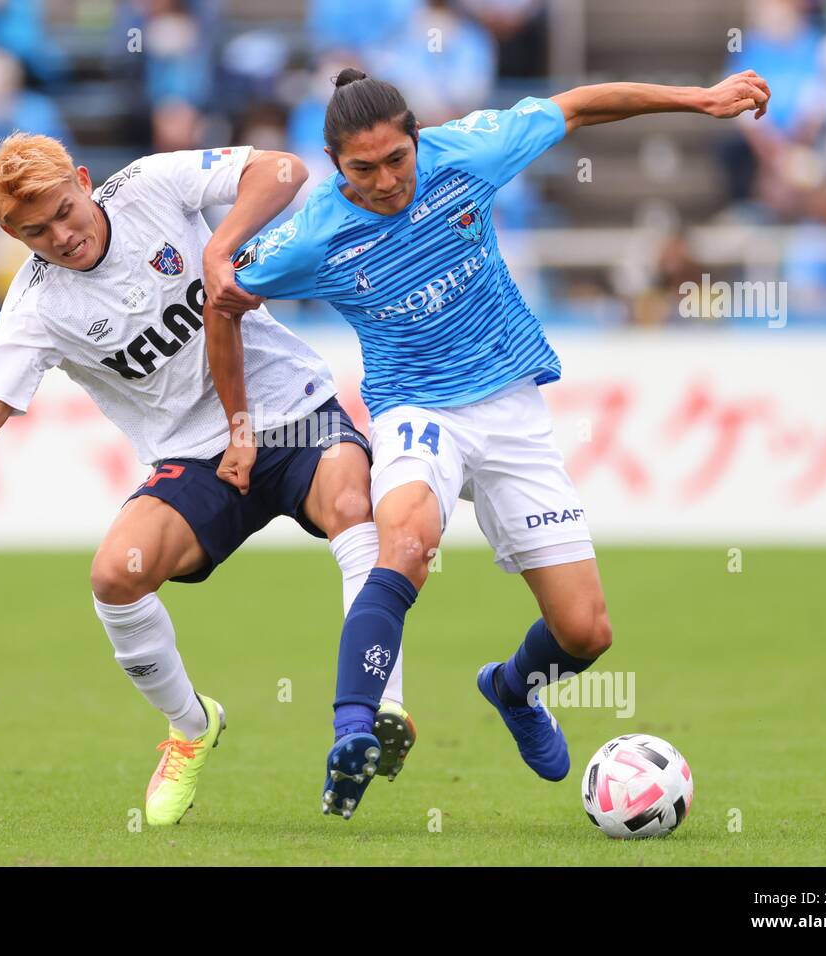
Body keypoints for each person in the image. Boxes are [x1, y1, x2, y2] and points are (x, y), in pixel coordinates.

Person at [220, 67, 771, 818]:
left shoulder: (468, 154)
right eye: (362, 169)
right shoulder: (312, 232)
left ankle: (511, 688)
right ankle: (354, 732)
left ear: (417, 139)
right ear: (334, 164)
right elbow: (222, 302)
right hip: (416, 410)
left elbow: (578, 105)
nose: (384, 181)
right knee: (405, 543)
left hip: (511, 407)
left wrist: (699, 98)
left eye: (396, 160)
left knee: (585, 631)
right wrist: (240, 422)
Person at [0, 132, 416, 825]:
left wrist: (222, 248)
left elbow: (284, 169)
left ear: (85, 181)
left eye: (66, 210)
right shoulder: (36, 306)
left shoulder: (153, 184)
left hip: (292, 410)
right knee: (114, 577)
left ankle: (376, 705)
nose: (62, 235)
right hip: (194, 458)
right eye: (36, 231)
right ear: (10, 232)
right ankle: (190, 726)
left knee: (349, 502)